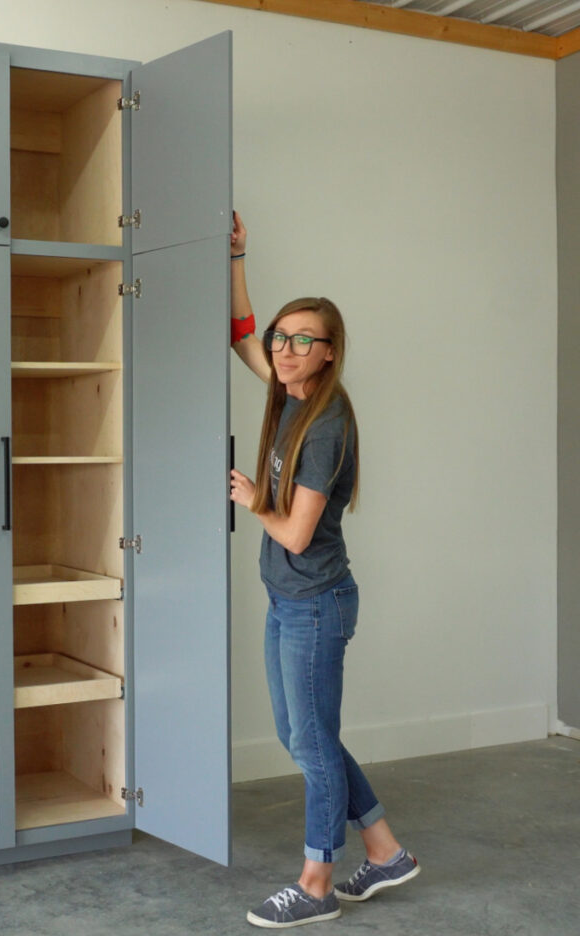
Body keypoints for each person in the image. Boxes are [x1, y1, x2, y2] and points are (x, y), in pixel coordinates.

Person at [228, 210, 420, 928]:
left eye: (301, 340)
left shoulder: (326, 423)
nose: (284, 348)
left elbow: (299, 535)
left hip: (316, 601)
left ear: (329, 352)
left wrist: (251, 501)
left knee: (309, 743)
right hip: (291, 601)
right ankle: (386, 850)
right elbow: (241, 332)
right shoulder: (288, 394)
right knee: (306, 737)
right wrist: (239, 257)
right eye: (284, 336)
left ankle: (315, 884)